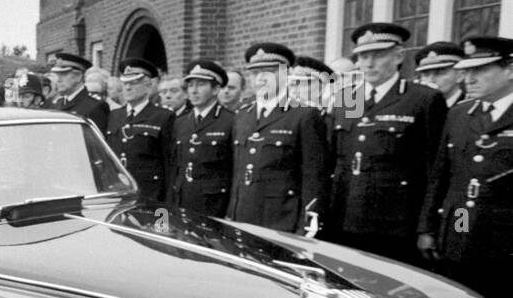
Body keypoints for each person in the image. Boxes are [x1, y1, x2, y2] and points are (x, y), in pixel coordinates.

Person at [417, 36, 513, 298]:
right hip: (456, 231)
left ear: (509, 69)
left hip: (504, 245)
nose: (468, 78)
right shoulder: (460, 113)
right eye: (466, 72)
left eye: (480, 71)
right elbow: (441, 176)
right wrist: (427, 228)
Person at [326, 23, 448, 261]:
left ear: (398, 56)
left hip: (396, 223)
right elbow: (334, 162)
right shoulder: (349, 98)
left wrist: (427, 226)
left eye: (378, 55)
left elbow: (436, 170)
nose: (369, 64)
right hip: (345, 218)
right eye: (362, 56)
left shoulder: (422, 98)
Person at [226, 43, 327, 234]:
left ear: (286, 74)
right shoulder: (242, 115)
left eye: (269, 72)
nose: (261, 79)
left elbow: (314, 178)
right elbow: (237, 174)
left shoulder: (304, 115)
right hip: (242, 217)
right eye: (255, 73)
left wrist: (306, 225)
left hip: (282, 220)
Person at [170, 60, 233, 216]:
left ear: (216, 89)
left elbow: (234, 171)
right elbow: (175, 168)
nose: (194, 91)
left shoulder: (230, 121)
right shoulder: (180, 122)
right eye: (190, 85)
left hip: (214, 206)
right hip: (182, 201)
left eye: (201, 85)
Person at [106, 58, 174, 204]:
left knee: (160, 227)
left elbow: (170, 164)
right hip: (119, 194)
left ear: (148, 85)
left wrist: (166, 204)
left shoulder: (163, 116)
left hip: (152, 196)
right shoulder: (114, 115)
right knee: (118, 227)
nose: (128, 88)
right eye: (125, 83)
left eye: (134, 83)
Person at [48, 52, 109, 133]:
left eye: (64, 74)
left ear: (78, 77)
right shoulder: (58, 104)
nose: (58, 80)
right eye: (57, 74)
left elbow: (95, 143)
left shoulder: (94, 106)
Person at [415, 41, 467, 108]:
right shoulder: (416, 108)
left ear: (460, 75)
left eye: (439, 72)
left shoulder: (470, 108)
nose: (431, 80)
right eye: (426, 74)